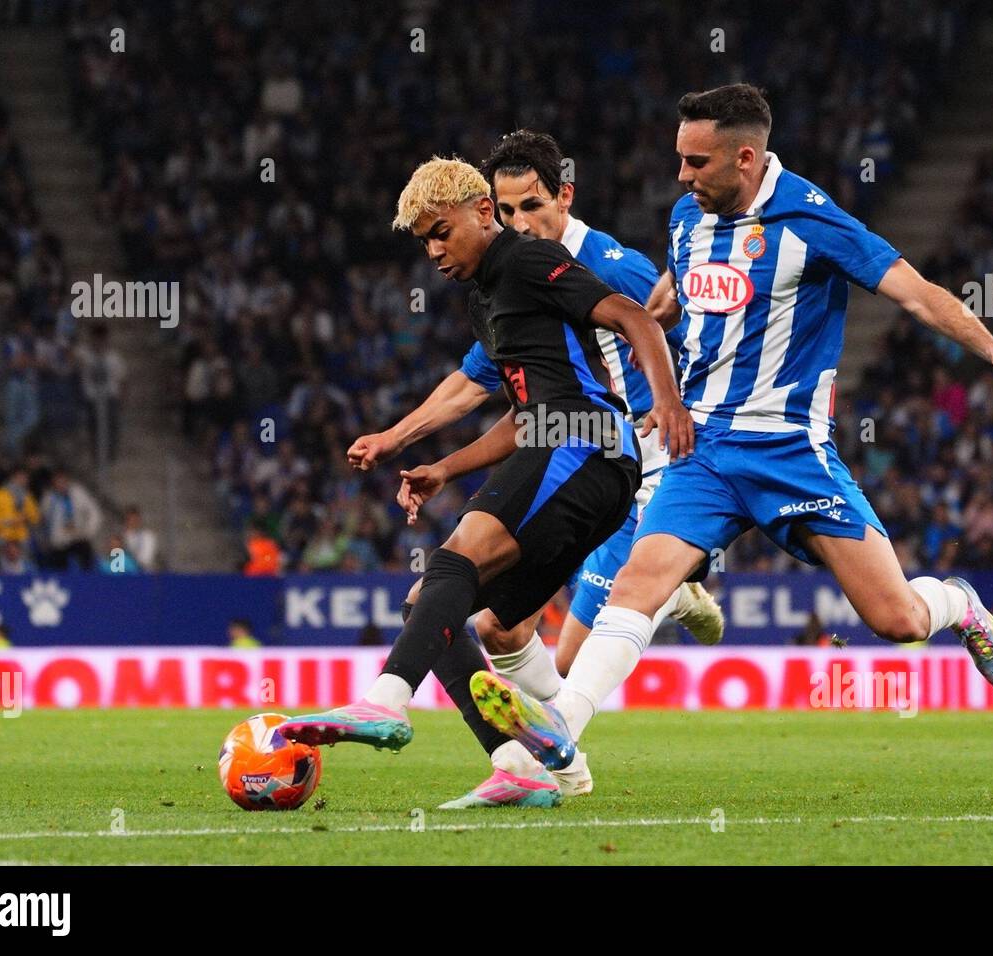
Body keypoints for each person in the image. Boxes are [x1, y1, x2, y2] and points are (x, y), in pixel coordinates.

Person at [470, 84, 993, 773]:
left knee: (896, 619)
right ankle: (562, 727)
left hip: (789, 451)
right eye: (680, 160)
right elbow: (673, 293)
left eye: (696, 162)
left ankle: (959, 603)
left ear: (744, 157)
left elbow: (917, 293)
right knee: (639, 583)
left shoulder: (813, 222)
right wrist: (647, 340)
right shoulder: (689, 218)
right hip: (704, 451)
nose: (682, 177)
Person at [279, 156, 691, 809]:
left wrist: (667, 403)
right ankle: (520, 762)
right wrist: (443, 466)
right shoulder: (485, 299)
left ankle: (385, 702)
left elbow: (637, 320)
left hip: (584, 442)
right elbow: (522, 415)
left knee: (453, 563)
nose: (435, 251)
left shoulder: (527, 261)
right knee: (433, 606)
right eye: (422, 242)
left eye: (441, 231)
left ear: (481, 211)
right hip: (581, 458)